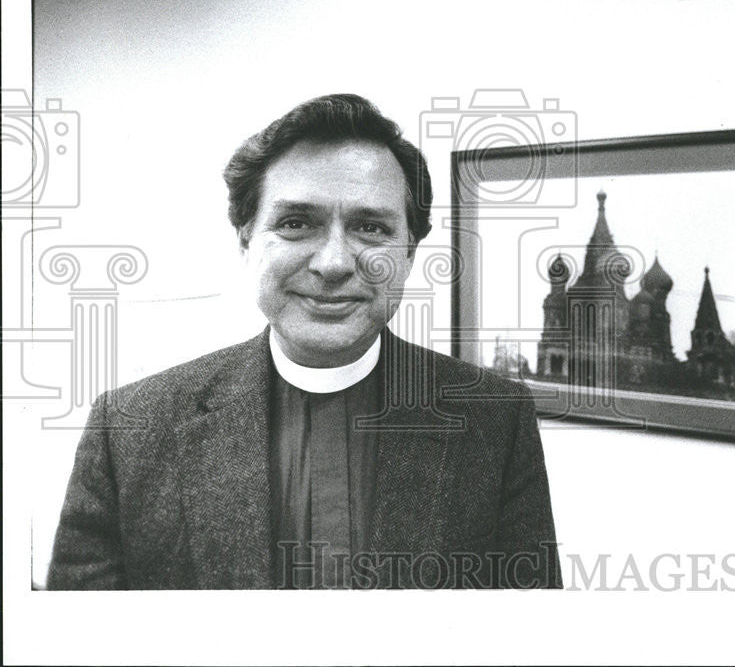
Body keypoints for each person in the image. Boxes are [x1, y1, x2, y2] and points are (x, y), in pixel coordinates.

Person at [47, 93, 561, 589]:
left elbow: (532, 640)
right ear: (246, 241)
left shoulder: (496, 419)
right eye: (296, 223)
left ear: (408, 253)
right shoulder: (130, 428)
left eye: (370, 227)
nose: (334, 263)